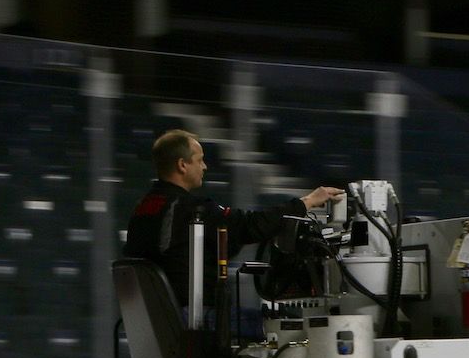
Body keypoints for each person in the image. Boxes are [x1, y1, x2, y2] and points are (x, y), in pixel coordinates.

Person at [124, 129, 345, 308]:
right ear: (183, 165)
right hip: (193, 321)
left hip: (158, 323)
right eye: (199, 160)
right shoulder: (193, 210)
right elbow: (250, 226)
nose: (205, 167)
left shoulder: (143, 209)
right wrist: (306, 202)